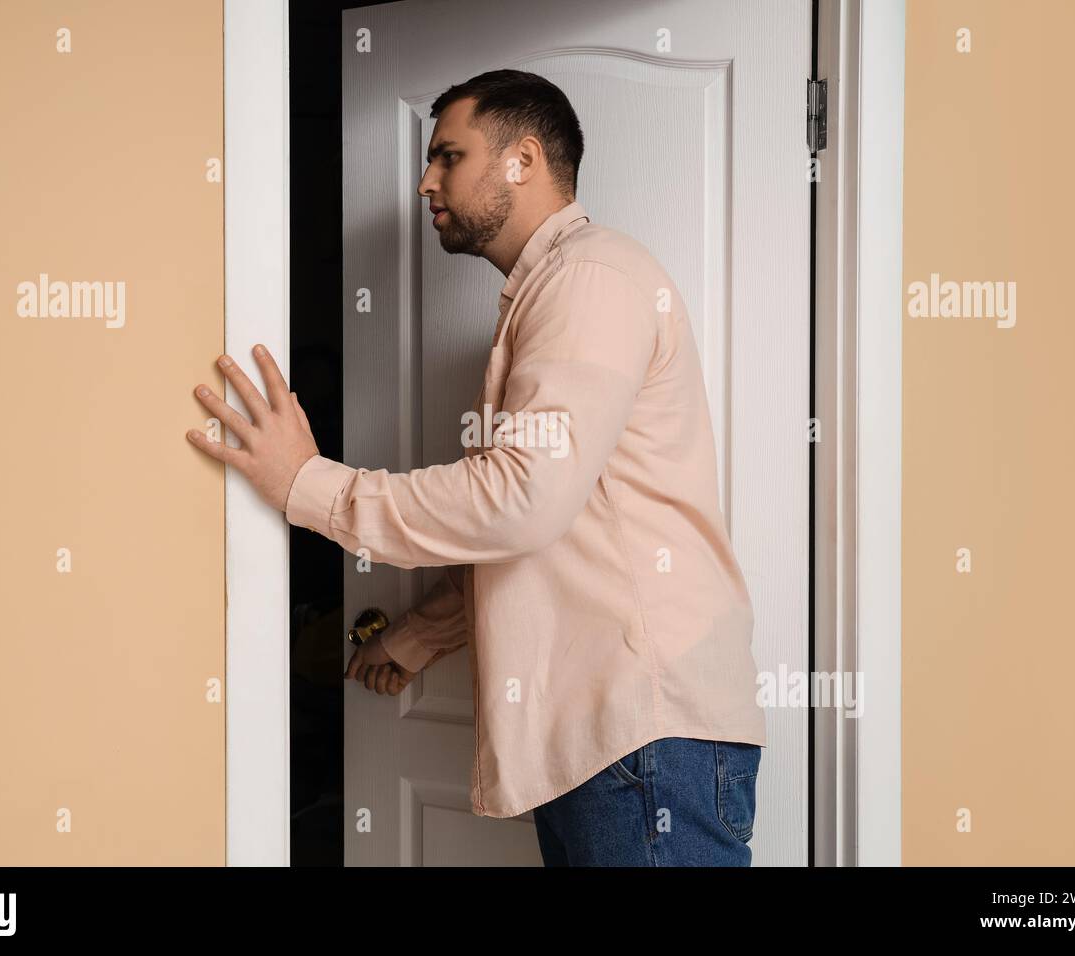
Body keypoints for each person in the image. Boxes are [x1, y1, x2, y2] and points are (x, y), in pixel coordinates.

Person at [186, 69, 766, 867]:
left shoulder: (588, 280)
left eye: (447, 156)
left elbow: (519, 500)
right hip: (624, 746)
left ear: (523, 159)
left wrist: (305, 483)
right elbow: (549, 527)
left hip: (641, 744)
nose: (425, 181)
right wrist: (419, 637)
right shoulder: (560, 291)